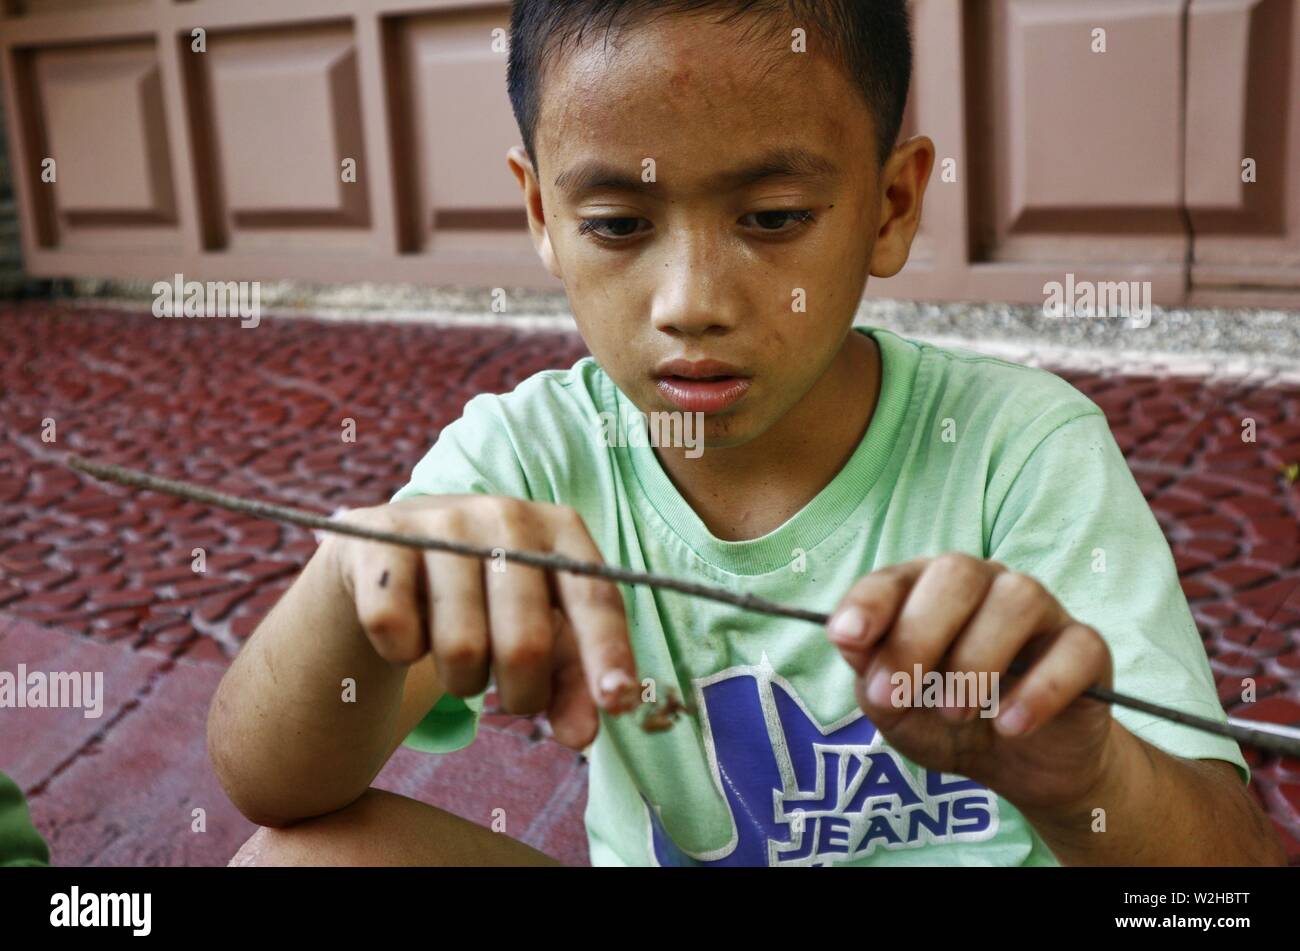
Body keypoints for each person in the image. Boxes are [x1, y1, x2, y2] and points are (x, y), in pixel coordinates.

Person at [212, 0, 1285, 866]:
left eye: (772, 218)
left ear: (891, 204)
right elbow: (272, 784)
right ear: (541, 215)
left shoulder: (1018, 449)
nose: (689, 301)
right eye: (618, 226)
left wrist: (1088, 772)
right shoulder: (529, 458)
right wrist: (354, 576)